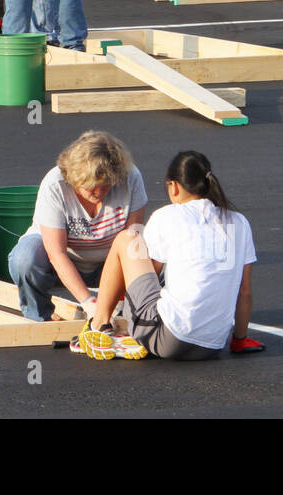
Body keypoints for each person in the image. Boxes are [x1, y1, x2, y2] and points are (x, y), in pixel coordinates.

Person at [77, 150, 261, 362]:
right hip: (212, 346)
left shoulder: (168, 215)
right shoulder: (239, 222)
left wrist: (120, 304)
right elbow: (244, 291)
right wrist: (239, 340)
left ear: (173, 186)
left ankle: (98, 325)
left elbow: (150, 278)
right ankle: (134, 334)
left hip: (168, 339)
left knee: (126, 238)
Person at [8, 131, 147, 323]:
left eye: (106, 186)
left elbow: (132, 244)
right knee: (25, 258)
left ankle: (138, 315)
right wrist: (89, 303)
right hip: (61, 262)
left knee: (158, 256)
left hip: (109, 264)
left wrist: (117, 304)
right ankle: (39, 317)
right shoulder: (55, 184)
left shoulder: (130, 177)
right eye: (91, 187)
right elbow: (57, 254)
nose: (99, 193)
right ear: (73, 178)